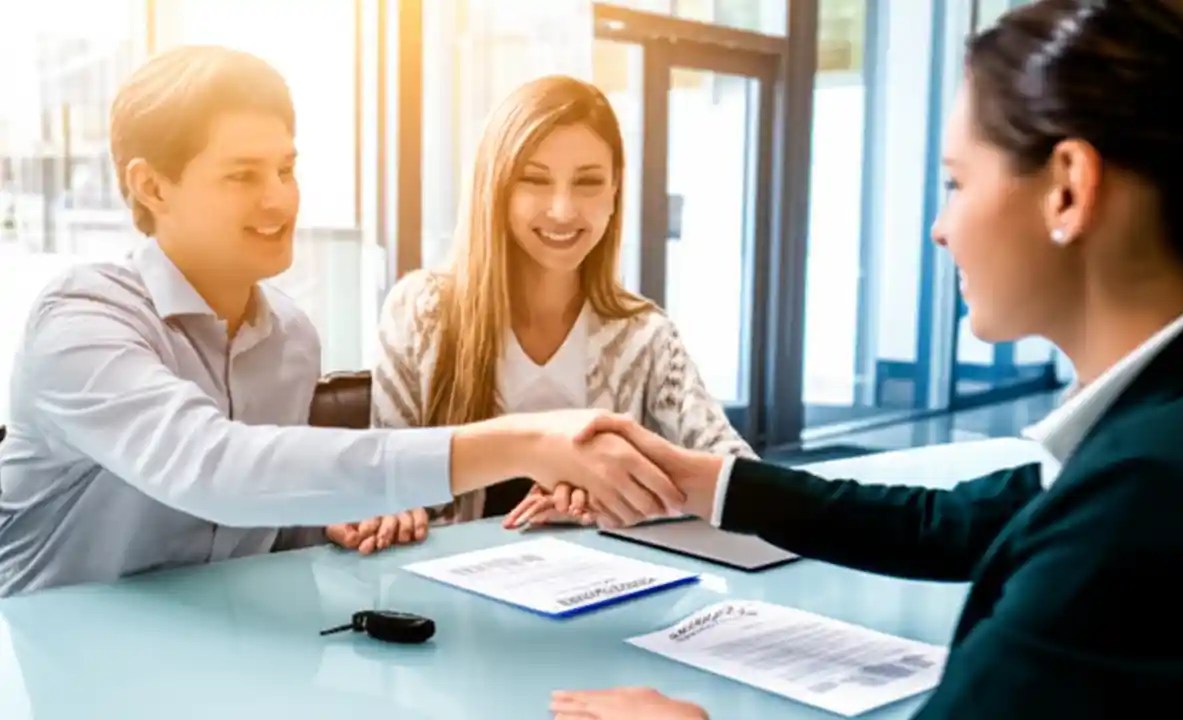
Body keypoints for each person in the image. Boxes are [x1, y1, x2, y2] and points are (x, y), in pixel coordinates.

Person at [550, 1, 1183, 717]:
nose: (939, 229)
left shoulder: (1151, 501)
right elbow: (948, 523)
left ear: (1067, 188)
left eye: (957, 183)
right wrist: (707, 484)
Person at [0, 46, 682, 597]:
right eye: (243, 176)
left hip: (224, 652)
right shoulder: (81, 322)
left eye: (286, 168)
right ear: (152, 187)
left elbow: (265, 524)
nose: (281, 200)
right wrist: (527, 442)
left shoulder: (290, 337)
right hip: (51, 664)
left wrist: (328, 518)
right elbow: (215, 469)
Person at [370, 74, 754, 532]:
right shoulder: (420, 311)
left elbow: (738, 477)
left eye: (589, 183)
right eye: (534, 180)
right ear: (496, 190)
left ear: (615, 193)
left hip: (602, 588)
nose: (562, 210)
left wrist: (620, 496)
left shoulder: (643, 334)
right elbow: (384, 481)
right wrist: (389, 511)